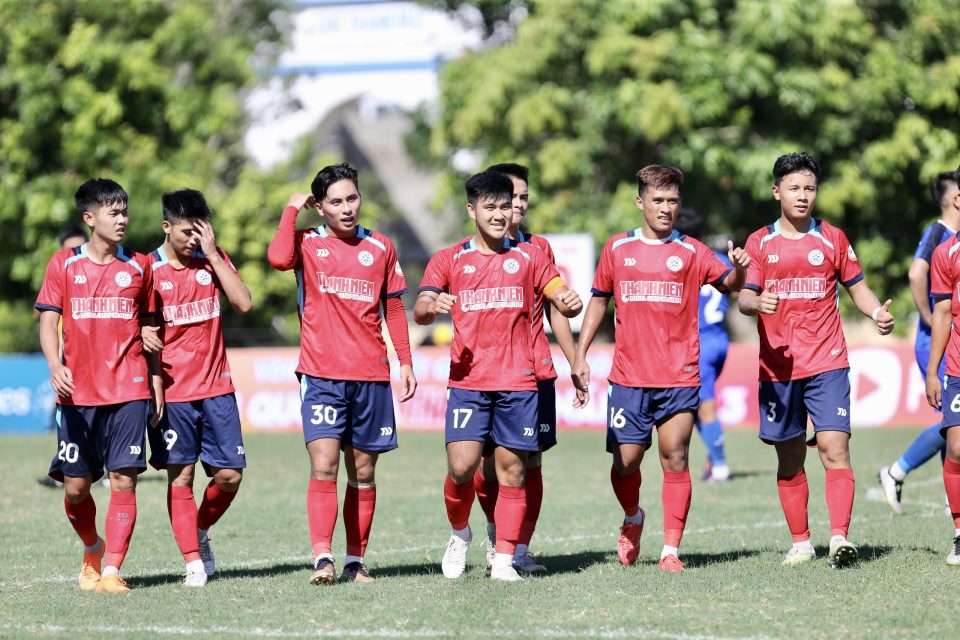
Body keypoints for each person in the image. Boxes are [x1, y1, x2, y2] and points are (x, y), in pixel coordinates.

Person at [572, 164, 749, 574]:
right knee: (626, 462)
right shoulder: (617, 249)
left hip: (679, 376)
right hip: (629, 379)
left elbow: (732, 284)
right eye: (658, 200)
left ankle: (670, 550)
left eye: (672, 201)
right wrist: (580, 355)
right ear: (641, 202)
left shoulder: (692, 251)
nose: (666, 208)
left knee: (676, 456)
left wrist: (739, 267)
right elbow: (599, 301)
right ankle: (633, 517)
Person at [414, 170, 582, 582]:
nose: (499, 215)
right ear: (472, 209)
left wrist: (571, 302)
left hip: (519, 383)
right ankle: (460, 534)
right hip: (469, 383)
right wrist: (430, 305)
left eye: (505, 207)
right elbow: (418, 308)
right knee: (462, 468)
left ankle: (505, 559)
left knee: (513, 471)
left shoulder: (531, 256)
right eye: (489, 207)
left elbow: (560, 295)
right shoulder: (449, 259)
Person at [737, 152, 894, 568]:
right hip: (778, 368)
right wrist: (757, 303)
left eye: (809, 188)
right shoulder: (760, 243)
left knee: (834, 446)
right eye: (794, 188)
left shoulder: (833, 238)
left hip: (828, 360)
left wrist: (877, 312)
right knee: (789, 457)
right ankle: (801, 541)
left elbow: (857, 287)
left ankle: (840, 537)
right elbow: (744, 297)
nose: (803, 196)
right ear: (777, 192)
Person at [267, 162, 416, 585]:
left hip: (371, 376)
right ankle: (322, 558)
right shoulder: (306, 244)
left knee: (364, 472)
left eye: (352, 198)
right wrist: (290, 210)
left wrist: (404, 361)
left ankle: (355, 561)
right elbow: (278, 258)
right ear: (321, 207)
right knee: (325, 464)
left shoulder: (381, 247)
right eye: (336, 201)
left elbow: (393, 308)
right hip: (321, 374)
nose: (347, 208)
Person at [35, 178, 163, 593]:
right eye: (114, 212)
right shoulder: (64, 264)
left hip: (128, 388)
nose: (123, 219)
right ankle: (93, 547)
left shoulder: (140, 266)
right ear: (90, 218)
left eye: (125, 211)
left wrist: (154, 368)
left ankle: (111, 570)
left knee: (124, 479)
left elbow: (150, 320)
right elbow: (49, 320)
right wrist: (55, 364)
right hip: (77, 393)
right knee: (75, 488)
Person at [471, 163, 586, 575]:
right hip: (485, 376)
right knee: (485, 465)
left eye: (522, 199)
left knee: (530, 461)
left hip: (533, 373)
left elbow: (555, 308)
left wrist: (573, 358)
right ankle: (492, 530)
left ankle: (518, 547)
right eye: (510, 198)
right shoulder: (472, 252)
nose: (517, 206)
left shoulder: (538, 250)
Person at [141, 189, 252, 587]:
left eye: (200, 232)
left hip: (218, 387)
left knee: (230, 476)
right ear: (166, 226)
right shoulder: (146, 269)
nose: (194, 240)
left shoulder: (213, 262)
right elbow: (129, 320)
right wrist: (141, 333)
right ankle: (192, 560)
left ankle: (199, 530)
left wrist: (215, 253)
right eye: (187, 232)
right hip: (173, 394)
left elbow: (243, 303)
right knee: (181, 476)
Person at [878, 172, 959, 513]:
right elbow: (915, 273)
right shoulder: (940, 232)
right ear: (955, 199)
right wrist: (928, 317)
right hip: (938, 340)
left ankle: (948, 496)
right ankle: (896, 471)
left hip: (947, 337)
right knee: (951, 420)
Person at [672, 208, 733, 483]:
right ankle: (713, 457)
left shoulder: (682, 260)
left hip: (699, 343)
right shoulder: (717, 259)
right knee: (694, 403)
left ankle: (720, 465)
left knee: (704, 404)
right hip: (719, 339)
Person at [36, 225, 89, 489]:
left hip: (95, 361)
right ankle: (65, 467)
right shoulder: (59, 271)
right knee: (64, 414)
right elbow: (41, 315)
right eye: (70, 247)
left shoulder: (98, 271)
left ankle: (81, 469)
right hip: (64, 359)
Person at [923, 183, 960, 563]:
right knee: (957, 446)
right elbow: (944, 313)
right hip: (958, 366)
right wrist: (933, 371)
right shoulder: (945, 253)